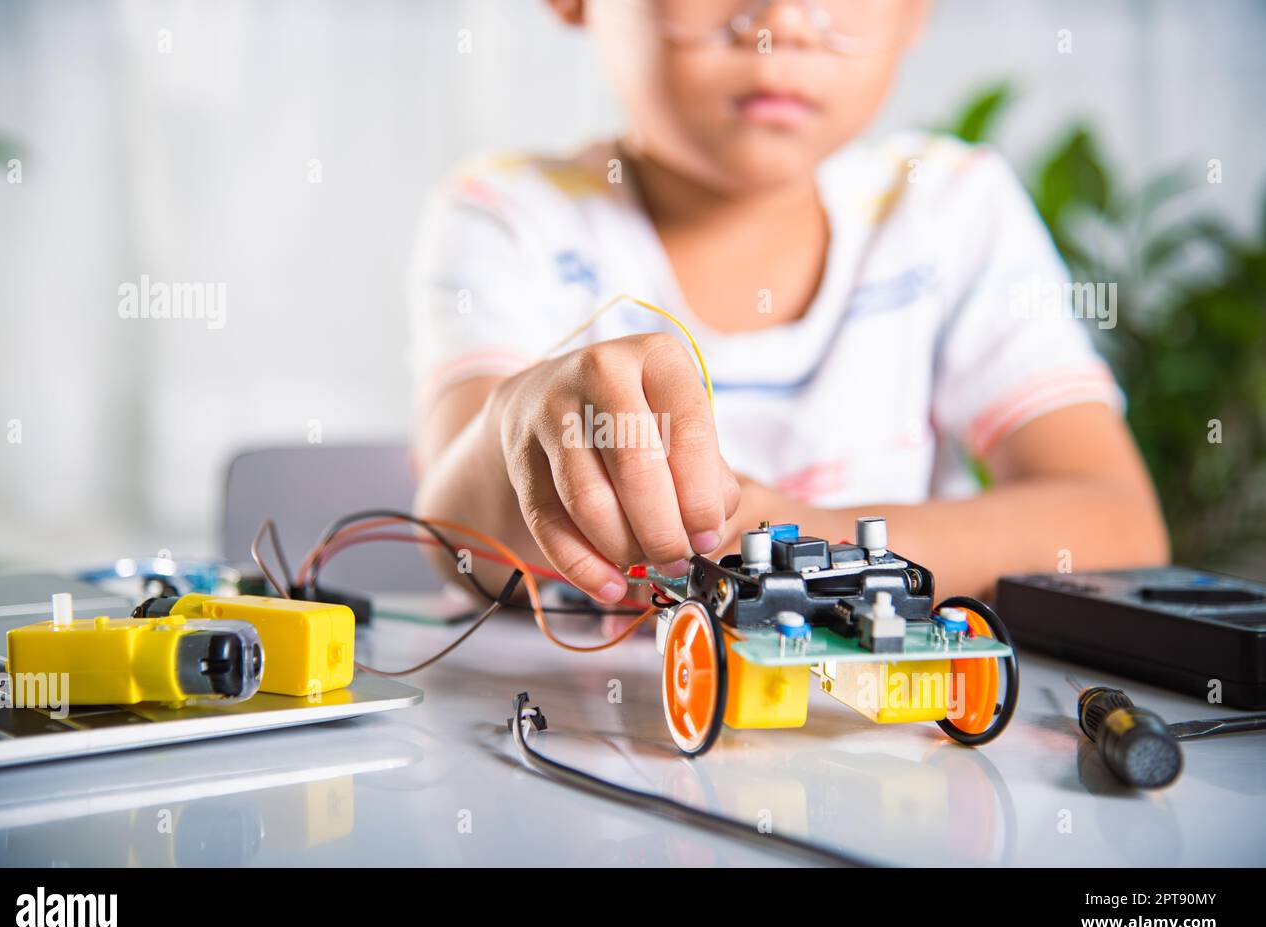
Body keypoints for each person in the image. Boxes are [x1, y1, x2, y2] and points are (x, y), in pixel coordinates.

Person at [409, 0, 1168, 605]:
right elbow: (455, 539)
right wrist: (517, 430)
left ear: (915, 12)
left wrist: (803, 546)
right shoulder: (508, 217)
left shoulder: (952, 211)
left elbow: (1118, 523)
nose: (783, 24)